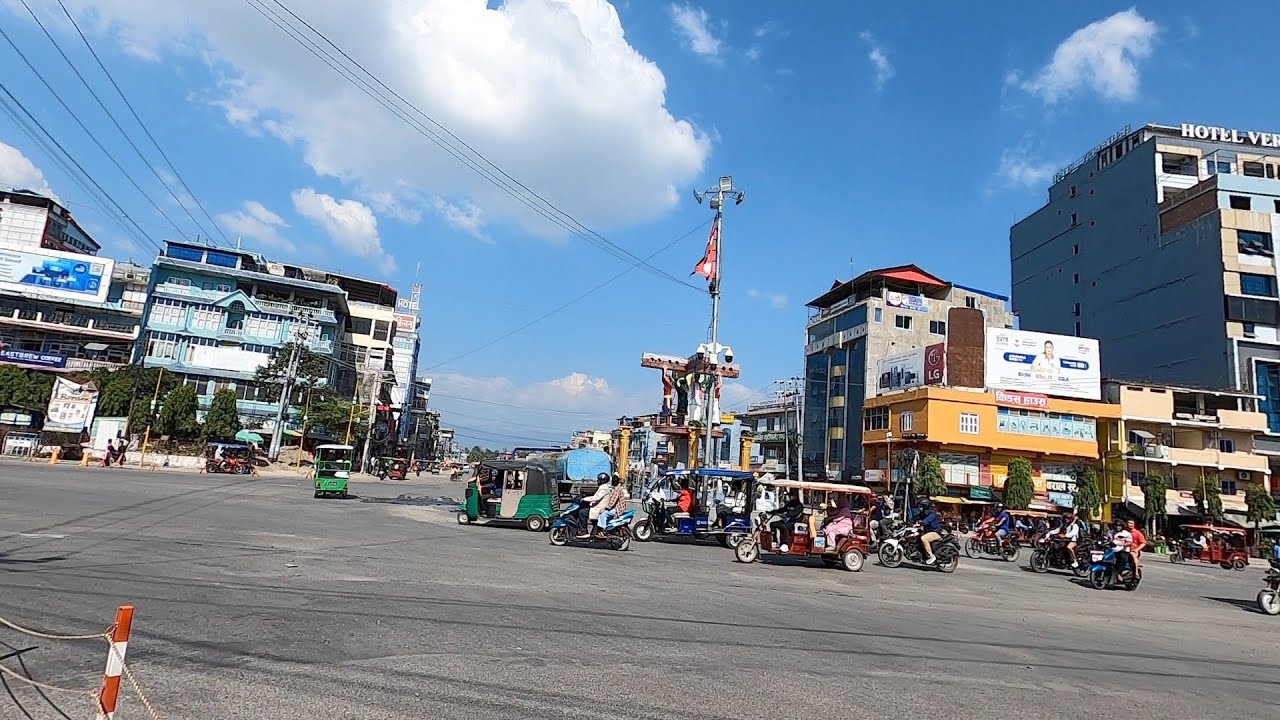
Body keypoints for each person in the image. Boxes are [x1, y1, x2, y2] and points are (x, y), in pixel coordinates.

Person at [577, 473, 612, 538]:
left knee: (582, 512)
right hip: (598, 507)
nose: (597, 481)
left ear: (602, 481)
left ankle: (583, 531)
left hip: (598, 509)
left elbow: (596, 497)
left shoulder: (604, 488)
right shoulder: (603, 487)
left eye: (599, 480)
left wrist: (584, 499)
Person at [916, 499, 943, 565]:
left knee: (924, 538)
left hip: (935, 533)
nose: (920, 508)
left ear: (925, 506)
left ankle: (931, 556)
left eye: (921, 506)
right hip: (928, 532)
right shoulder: (923, 513)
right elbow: (916, 517)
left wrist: (921, 522)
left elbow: (927, 520)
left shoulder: (932, 513)